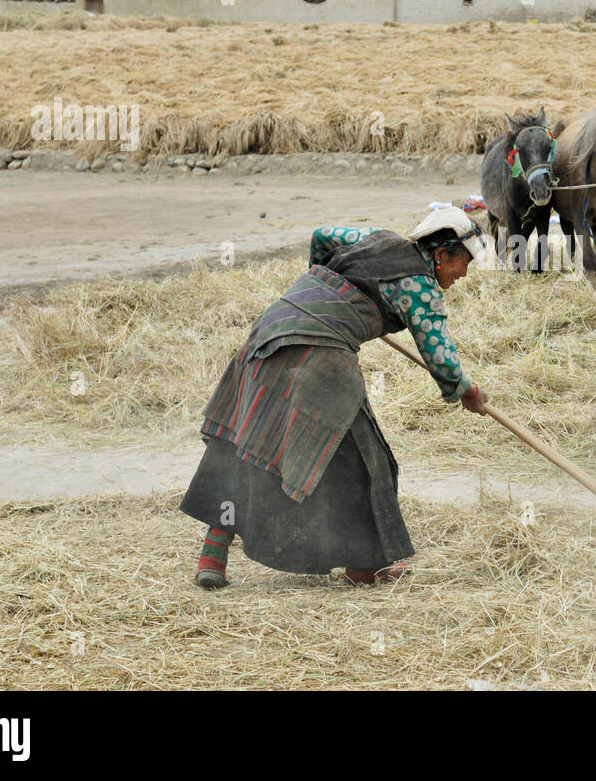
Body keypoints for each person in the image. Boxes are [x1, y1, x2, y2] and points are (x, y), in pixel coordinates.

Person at [180, 206, 489, 588]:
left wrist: (332, 286)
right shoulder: (419, 286)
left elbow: (322, 236)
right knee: (366, 458)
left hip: (271, 329)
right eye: (464, 263)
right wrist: (467, 392)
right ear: (441, 255)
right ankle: (364, 566)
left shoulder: (377, 238)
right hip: (317, 352)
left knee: (246, 438)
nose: (464, 274)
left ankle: (213, 555)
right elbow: (440, 355)